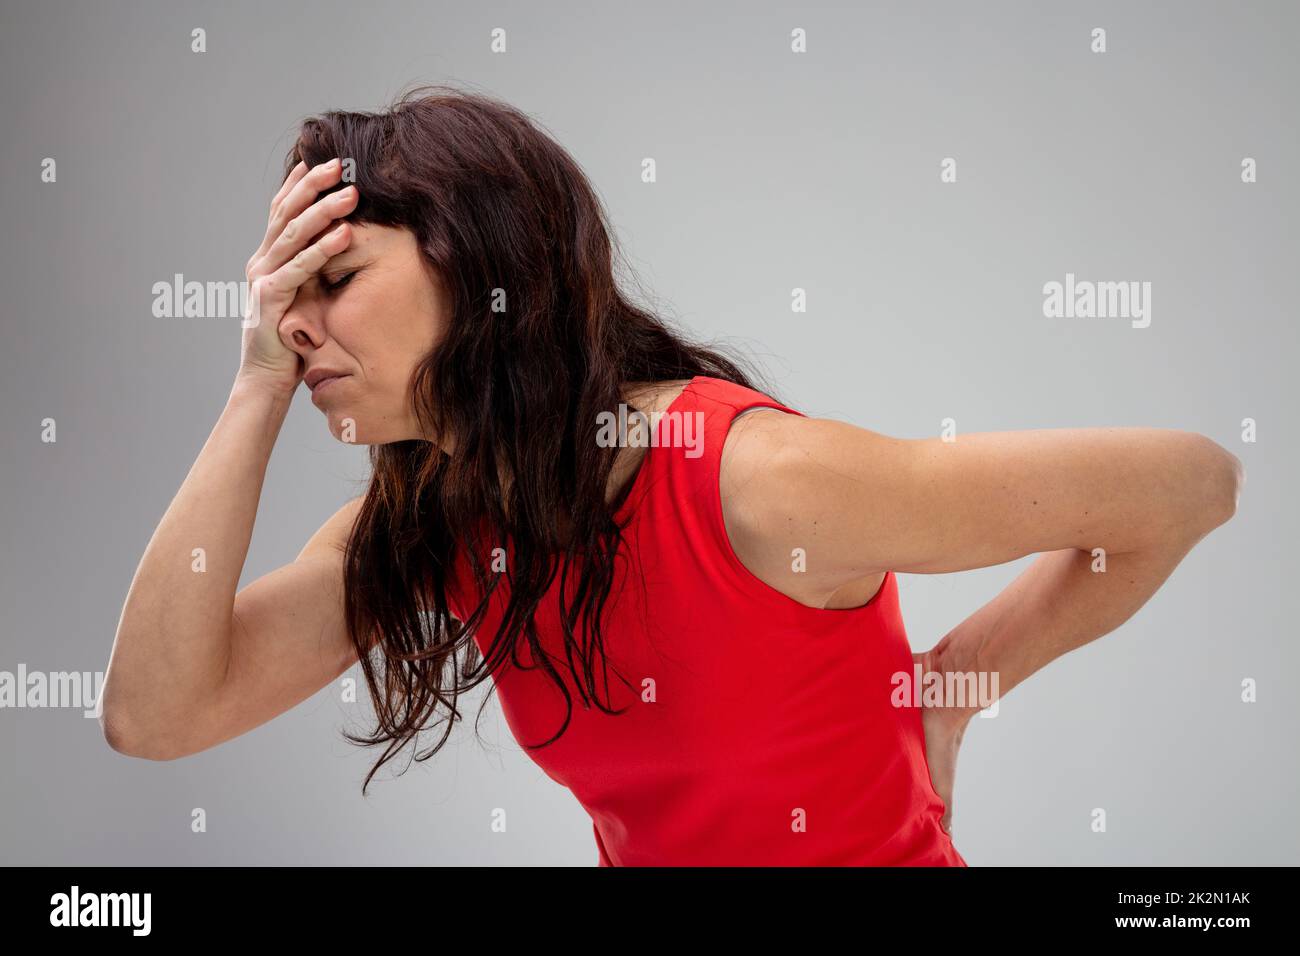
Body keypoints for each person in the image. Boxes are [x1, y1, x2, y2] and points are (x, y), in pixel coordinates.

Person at [100, 86, 1243, 866]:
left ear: (478, 263)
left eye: (334, 277)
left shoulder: (757, 479)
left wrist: (952, 687)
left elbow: (1190, 485)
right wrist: (254, 382)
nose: (295, 323)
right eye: (283, 292)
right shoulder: (430, 524)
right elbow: (156, 714)